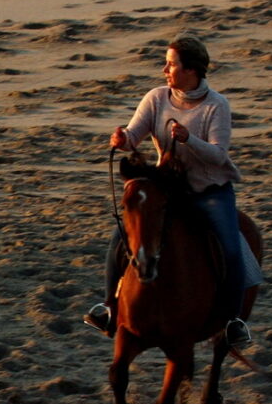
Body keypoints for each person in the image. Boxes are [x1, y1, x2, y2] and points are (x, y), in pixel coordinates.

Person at [84, 34, 252, 349]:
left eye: (171, 64)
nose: (165, 70)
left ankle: (232, 321)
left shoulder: (216, 105)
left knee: (231, 247)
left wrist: (190, 139)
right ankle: (109, 307)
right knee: (121, 236)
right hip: (169, 187)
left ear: (191, 70)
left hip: (210, 191)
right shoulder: (156, 98)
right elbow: (134, 134)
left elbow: (219, 156)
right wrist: (122, 139)